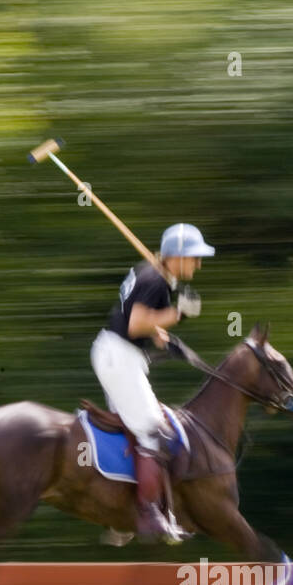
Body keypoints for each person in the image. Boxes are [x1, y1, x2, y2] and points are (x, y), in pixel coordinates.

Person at [91, 223, 215, 542]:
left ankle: (119, 517)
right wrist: (177, 314)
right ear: (177, 256)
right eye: (194, 257)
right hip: (120, 356)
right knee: (153, 431)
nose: (198, 264)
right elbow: (134, 324)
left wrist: (160, 334)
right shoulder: (154, 279)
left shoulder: (151, 274)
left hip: (116, 354)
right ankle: (150, 515)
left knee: (133, 432)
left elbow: (138, 318)